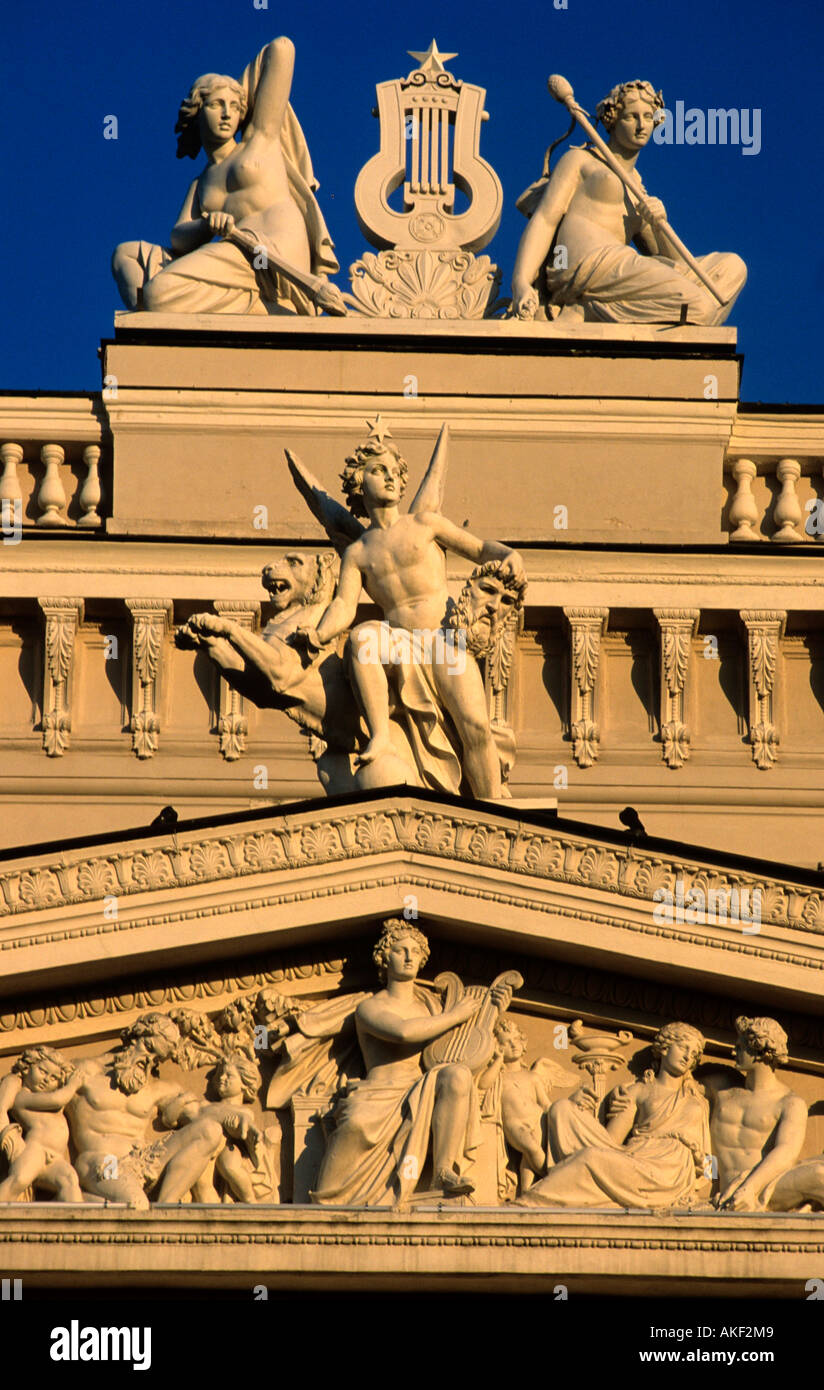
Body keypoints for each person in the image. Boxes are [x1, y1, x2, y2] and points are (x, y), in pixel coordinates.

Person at [291, 424, 526, 799]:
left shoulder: (424, 524)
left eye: (394, 472)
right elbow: (344, 606)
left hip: (443, 637)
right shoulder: (358, 552)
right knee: (363, 638)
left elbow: (479, 550)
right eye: (377, 471)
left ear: (404, 483)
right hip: (399, 641)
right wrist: (319, 634)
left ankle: (491, 804)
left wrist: (508, 555)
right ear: (358, 483)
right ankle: (381, 737)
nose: (388, 478)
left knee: (475, 728)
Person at [112, 37, 338, 315]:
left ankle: (266, 307)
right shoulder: (201, 182)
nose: (228, 113)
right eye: (217, 104)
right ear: (197, 111)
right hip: (235, 253)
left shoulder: (260, 138)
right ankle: (254, 309)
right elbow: (179, 238)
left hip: (273, 252)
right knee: (126, 254)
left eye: (235, 106)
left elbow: (282, 49)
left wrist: (235, 89)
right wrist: (207, 226)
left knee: (158, 293)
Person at [511, 79, 746, 325]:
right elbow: (546, 219)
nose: (641, 125)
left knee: (732, 267)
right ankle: (585, 311)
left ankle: (604, 311)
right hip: (580, 261)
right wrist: (521, 282)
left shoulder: (638, 191)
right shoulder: (581, 160)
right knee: (699, 307)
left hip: (622, 268)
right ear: (612, 119)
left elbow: (675, 261)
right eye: (631, 117)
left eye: (647, 117)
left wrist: (658, 223)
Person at [311, 919, 512, 1205]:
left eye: (415, 952)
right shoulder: (370, 1007)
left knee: (456, 1075)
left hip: (421, 1092)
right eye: (400, 950)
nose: (408, 957)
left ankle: (443, 1170)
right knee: (355, 1124)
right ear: (384, 958)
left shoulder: (432, 1006)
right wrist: (456, 1015)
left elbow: (463, 1051)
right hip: (376, 1098)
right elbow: (403, 1032)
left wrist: (494, 1010)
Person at [518, 1022, 711, 1208]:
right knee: (561, 1108)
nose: (688, 1057)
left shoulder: (698, 1102)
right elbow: (610, 1142)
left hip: (672, 1172)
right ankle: (541, 1195)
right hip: (638, 1161)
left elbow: (709, 1156)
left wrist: (711, 1189)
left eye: (694, 1054)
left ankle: (530, 1201)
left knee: (590, 1158)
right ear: (665, 1048)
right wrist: (580, 1110)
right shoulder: (639, 1091)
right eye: (683, 1048)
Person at [708, 1017, 807, 1211]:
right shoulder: (719, 1092)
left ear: (759, 1049)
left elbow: (786, 1153)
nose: (733, 1052)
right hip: (721, 1194)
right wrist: (704, 1184)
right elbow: (706, 1150)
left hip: (763, 1189)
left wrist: (750, 1188)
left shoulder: (790, 1103)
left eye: (740, 1047)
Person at [0, 1047, 83, 1202]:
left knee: (70, 1181)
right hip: (36, 1150)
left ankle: (72, 1223)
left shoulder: (51, 1101)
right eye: (43, 1071)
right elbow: (57, 1099)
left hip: (55, 1156)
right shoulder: (22, 1097)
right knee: (18, 1181)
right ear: (27, 1068)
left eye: (53, 1078)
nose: (46, 1079)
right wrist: (73, 1085)